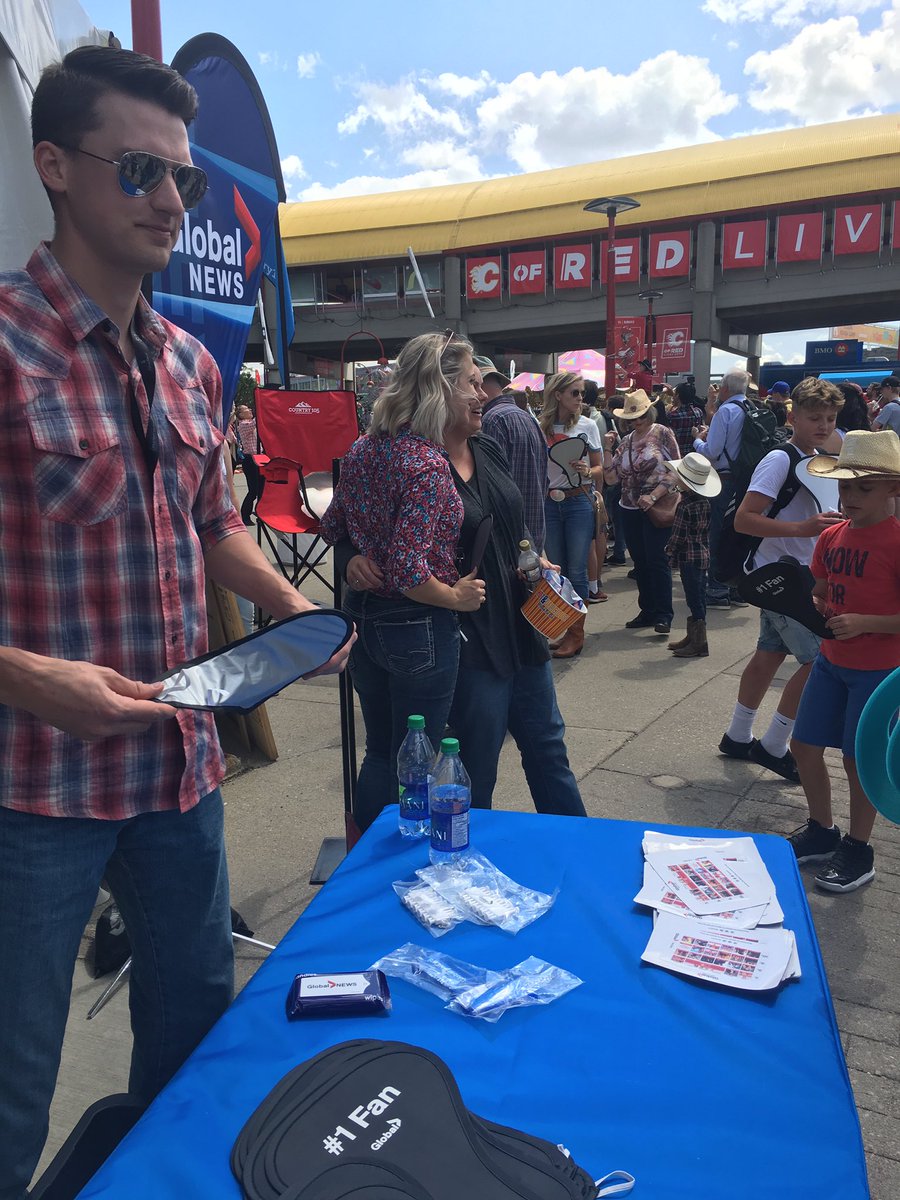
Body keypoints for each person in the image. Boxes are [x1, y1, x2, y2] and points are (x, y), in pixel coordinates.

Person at [0, 46, 353, 1199]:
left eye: (184, 182)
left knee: (197, 1041)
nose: (168, 202)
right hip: (32, 787)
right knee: (13, 1088)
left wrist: (295, 610)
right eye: (139, 172)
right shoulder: (4, 347)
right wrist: (23, 676)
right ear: (54, 166)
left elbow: (213, 528)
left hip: (181, 764)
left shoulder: (194, 366)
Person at [320, 333, 485, 833]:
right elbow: (411, 571)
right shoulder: (427, 464)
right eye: (469, 384)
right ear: (439, 390)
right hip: (419, 627)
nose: (479, 395)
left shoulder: (363, 448)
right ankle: (406, 860)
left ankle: (362, 863)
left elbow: (333, 527)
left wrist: (353, 560)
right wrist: (455, 597)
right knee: (418, 759)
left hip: (365, 619)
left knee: (379, 754)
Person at [787, 430, 900, 891]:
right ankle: (820, 829)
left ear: (894, 487)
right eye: (845, 485)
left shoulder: (896, 541)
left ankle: (859, 847)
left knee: (860, 760)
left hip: (879, 670)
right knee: (804, 745)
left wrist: (868, 621)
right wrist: (804, 598)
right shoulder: (832, 535)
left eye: (863, 487)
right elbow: (819, 587)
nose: (850, 495)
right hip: (831, 659)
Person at [719, 378, 845, 783]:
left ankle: (739, 736)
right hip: (784, 577)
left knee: (769, 655)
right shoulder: (780, 459)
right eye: (814, 417)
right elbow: (745, 519)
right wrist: (806, 528)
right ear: (794, 416)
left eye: (830, 418)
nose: (823, 425)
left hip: (786, 574)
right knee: (820, 661)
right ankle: (774, 746)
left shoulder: (818, 456)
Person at [602, 388, 680, 635]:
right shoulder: (625, 442)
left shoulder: (663, 434)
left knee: (658, 560)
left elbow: (677, 469)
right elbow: (612, 478)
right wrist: (606, 448)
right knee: (641, 562)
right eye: (632, 418)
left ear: (651, 413)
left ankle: (663, 614)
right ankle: (647, 611)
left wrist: (655, 494)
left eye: (642, 416)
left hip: (658, 505)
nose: (637, 421)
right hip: (629, 507)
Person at [539, 372, 603, 657]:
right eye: (574, 393)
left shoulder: (588, 425)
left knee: (576, 570)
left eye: (581, 393)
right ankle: (565, 629)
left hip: (578, 502)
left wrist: (589, 471)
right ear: (558, 394)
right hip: (549, 504)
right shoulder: (539, 427)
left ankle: (576, 634)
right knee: (556, 571)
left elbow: (603, 468)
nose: (580, 398)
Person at [475, 354, 548, 554]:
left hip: (511, 538)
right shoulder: (528, 418)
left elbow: (493, 490)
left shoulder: (491, 420)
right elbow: (545, 479)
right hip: (533, 532)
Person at [692, 367, 750, 609]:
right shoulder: (753, 408)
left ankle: (716, 589)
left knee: (716, 534)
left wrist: (697, 439)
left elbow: (713, 452)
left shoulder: (725, 412)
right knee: (738, 534)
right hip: (746, 481)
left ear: (725, 388)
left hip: (724, 481)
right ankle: (738, 588)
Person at [664, 453, 722, 657]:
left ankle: (699, 642)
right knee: (698, 596)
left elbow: (678, 536)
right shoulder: (705, 503)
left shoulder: (684, 506)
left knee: (694, 597)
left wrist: (669, 552)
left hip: (689, 557)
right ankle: (694, 636)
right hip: (702, 554)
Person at [235, 403, 262, 525]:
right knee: (253, 490)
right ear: (240, 415)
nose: (250, 410)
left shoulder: (249, 425)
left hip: (257, 458)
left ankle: (259, 511)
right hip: (250, 460)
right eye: (247, 410)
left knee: (261, 489)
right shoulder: (244, 425)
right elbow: (257, 421)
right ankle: (245, 515)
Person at [667, 380, 706, 456]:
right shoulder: (698, 412)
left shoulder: (672, 415)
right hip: (693, 455)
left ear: (677, 395)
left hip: (677, 455)